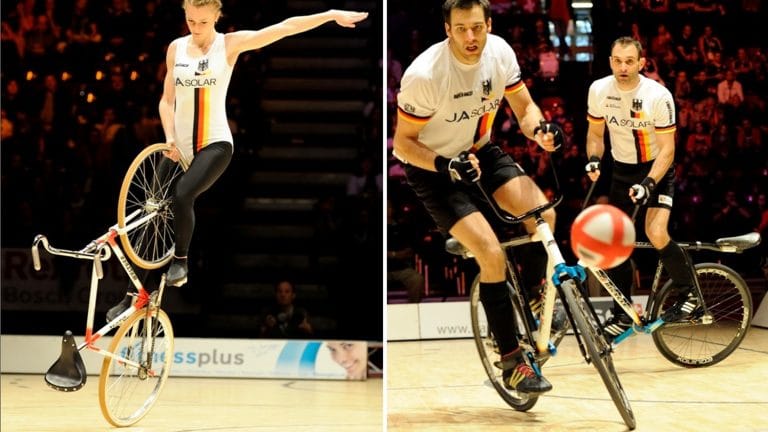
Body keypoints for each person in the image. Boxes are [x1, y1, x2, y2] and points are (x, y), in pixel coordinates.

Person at [106, 0, 368, 321]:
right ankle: (135, 296)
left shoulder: (229, 45)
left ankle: (181, 261)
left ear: (216, 17)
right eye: (191, 21)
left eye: (203, 22)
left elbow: (284, 28)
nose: (196, 28)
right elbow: (166, 101)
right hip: (180, 146)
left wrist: (329, 15)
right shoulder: (176, 49)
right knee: (151, 216)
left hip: (215, 144)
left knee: (182, 194)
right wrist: (170, 137)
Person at [392, 0, 563, 394]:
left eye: (477, 27)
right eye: (462, 29)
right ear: (448, 30)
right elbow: (403, 144)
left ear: (488, 24)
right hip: (433, 168)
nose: (471, 37)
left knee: (545, 217)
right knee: (491, 253)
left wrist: (541, 131)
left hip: (480, 150)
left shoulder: (500, 52)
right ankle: (511, 361)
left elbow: (525, 108)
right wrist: (445, 166)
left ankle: (537, 300)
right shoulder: (425, 75)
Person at [584, 36, 698, 343]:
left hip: (656, 169)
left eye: (629, 61)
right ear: (610, 61)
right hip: (621, 171)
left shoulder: (657, 95)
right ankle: (623, 313)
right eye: (617, 61)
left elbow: (668, 150)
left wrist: (649, 182)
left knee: (656, 232)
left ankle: (691, 296)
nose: (623, 67)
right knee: (615, 242)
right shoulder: (598, 90)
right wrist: (593, 159)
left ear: (641, 63)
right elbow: (595, 135)